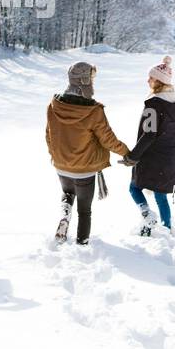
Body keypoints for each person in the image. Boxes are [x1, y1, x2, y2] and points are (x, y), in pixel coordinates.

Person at [45, 61, 131, 245]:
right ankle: (82, 244)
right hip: (85, 169)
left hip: (61, 166)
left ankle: (64, 217)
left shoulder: (53, 105)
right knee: (84, 211)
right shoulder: (93, 111)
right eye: (91, 79)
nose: (93, 83)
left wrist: (57, 156)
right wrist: (126, 152)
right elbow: (108, 140)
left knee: (68, 193)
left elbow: (48, 135)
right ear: (85, 82)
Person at [120, 55, 175, 236]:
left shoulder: (153, 105)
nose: (148, 80)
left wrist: (132, 157)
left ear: (158, 81)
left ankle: (147, 215)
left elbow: (148, 134)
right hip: (172, 158)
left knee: (134, 188)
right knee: (161, 194)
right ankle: (166, 228)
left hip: (153, 158)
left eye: (151, 78)